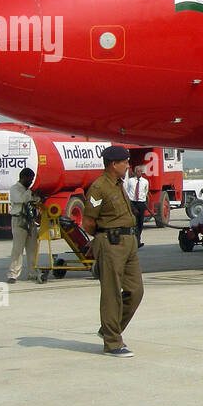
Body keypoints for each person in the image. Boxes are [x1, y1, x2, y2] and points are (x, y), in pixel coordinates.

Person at [84, 145, 144, 357]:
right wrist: (102, 238)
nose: (128, 165)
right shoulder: (99, 188)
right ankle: (112, 342)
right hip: (111, 242)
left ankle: (110, 329)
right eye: (125, 162)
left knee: (136, 291)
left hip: (128, 242)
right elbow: (88, 222)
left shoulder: (118, 184)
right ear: (113, 164)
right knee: (111, 293)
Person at [7, 168, 41, 283]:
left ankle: (33, 273)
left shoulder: (29, 190)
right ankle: (13, 274)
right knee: (18, 249)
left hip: (30, 221)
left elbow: (36, 200)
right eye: (30, 180)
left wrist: (36, 195)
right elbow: (21, 199)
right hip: (19, 220)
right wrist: (30, 193)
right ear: (23, 178)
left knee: (32, 249)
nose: (31, 182)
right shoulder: (15, 189)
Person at [124, 165, 150, 247]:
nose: (139, 173)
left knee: (140, 223)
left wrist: (143, 201)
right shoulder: (130, 181)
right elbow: (127, 190)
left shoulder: (145, 181)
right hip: (132, 203)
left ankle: (138, 239)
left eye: (140, 171)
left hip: (141, 203)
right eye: (137, 171)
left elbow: (146, 192)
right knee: (133, 222)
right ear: (135, 172)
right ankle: (136, 241)